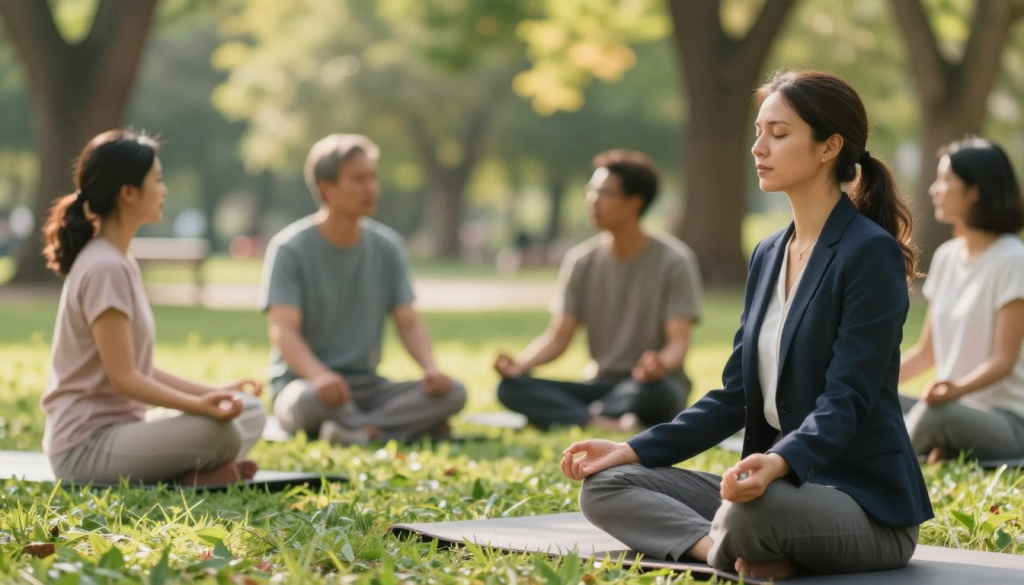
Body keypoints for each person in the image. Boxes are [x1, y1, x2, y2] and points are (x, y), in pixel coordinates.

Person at [560, 71, 933, 581]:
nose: (759, 147)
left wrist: (779, 464)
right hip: (771, 488)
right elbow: (734, 396)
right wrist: (630, 448)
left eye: (778, 134)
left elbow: (848, 399)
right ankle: (724, 552)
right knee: (606, 486)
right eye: (758, 132)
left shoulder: (869, 253)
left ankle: (746, 541)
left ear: (830, 147)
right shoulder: (767, 253)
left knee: (750, 512)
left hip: (862, 503)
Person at [40, 129, 266, 486]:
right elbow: (124, 378)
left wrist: (211, 393)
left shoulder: (120, 261)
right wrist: (199, 407)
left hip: (126, 430)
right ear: (128, 193)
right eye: (158, 181)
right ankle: (190, 476)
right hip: (84, 448)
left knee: (248, 410)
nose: (164, 190)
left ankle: (192, 474)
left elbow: (137, 367)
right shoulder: (104, 268)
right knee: (224, 434)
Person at [262, 134, 466, 445]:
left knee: (453, 392)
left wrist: (430, 368)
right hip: (307, 385)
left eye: (372, 177)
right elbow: (283, 332)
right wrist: (319, 376)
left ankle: (362, 432)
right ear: (326, 188)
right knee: (303, 402)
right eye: (358, 179)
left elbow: (408, 322)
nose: (370, 187)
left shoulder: (388, 247)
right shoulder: (289, 249)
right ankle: (397, 427)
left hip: (368, 388)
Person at [494, 150, 702, 432]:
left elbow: (678, 342)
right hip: (599, 385)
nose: (592, 200)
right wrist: (520, 366)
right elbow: (558, 338)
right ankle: (599, 419)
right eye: (591, 191)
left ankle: (572, 416)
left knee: (660, 393)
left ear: (634, 203)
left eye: (605, 193)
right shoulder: (580, 261)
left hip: (649, 386)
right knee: (509, 389)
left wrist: (659, 365)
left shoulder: (675, 261)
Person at [901, 137, 1024, 464]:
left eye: (945, 180)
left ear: (974, 191)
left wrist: (954, 391)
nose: (934, 189)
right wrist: (867, 382)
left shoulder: (1013, 259)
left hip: (1005, 420)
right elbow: (927, 353)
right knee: (875, 401)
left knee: (934, 415)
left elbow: (1003, 361)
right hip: (950, 406)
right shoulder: (946, 257)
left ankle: (882, 461)